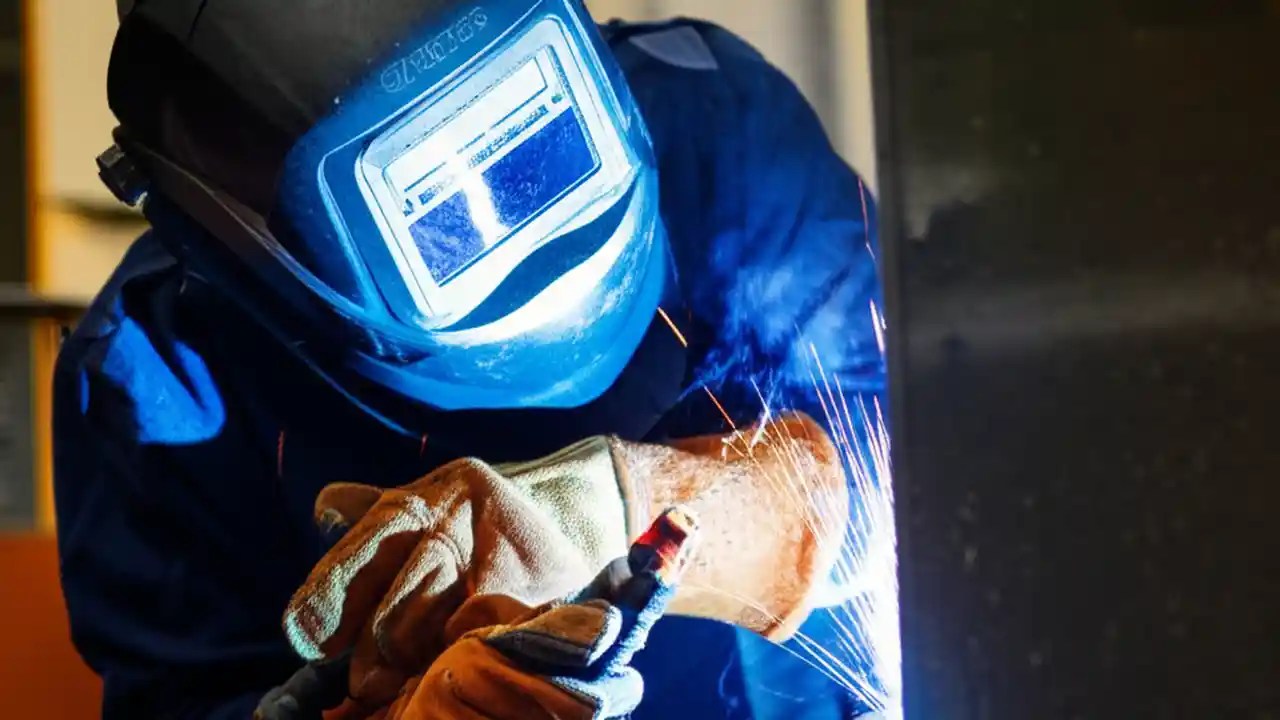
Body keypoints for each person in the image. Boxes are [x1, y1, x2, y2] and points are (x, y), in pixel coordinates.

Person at [55, 1, 885, 718]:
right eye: (436, 211)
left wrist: (612, 504)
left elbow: (910, 483)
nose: (489, 216)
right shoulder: (153, 373)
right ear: (237, 238)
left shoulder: (716, 121)